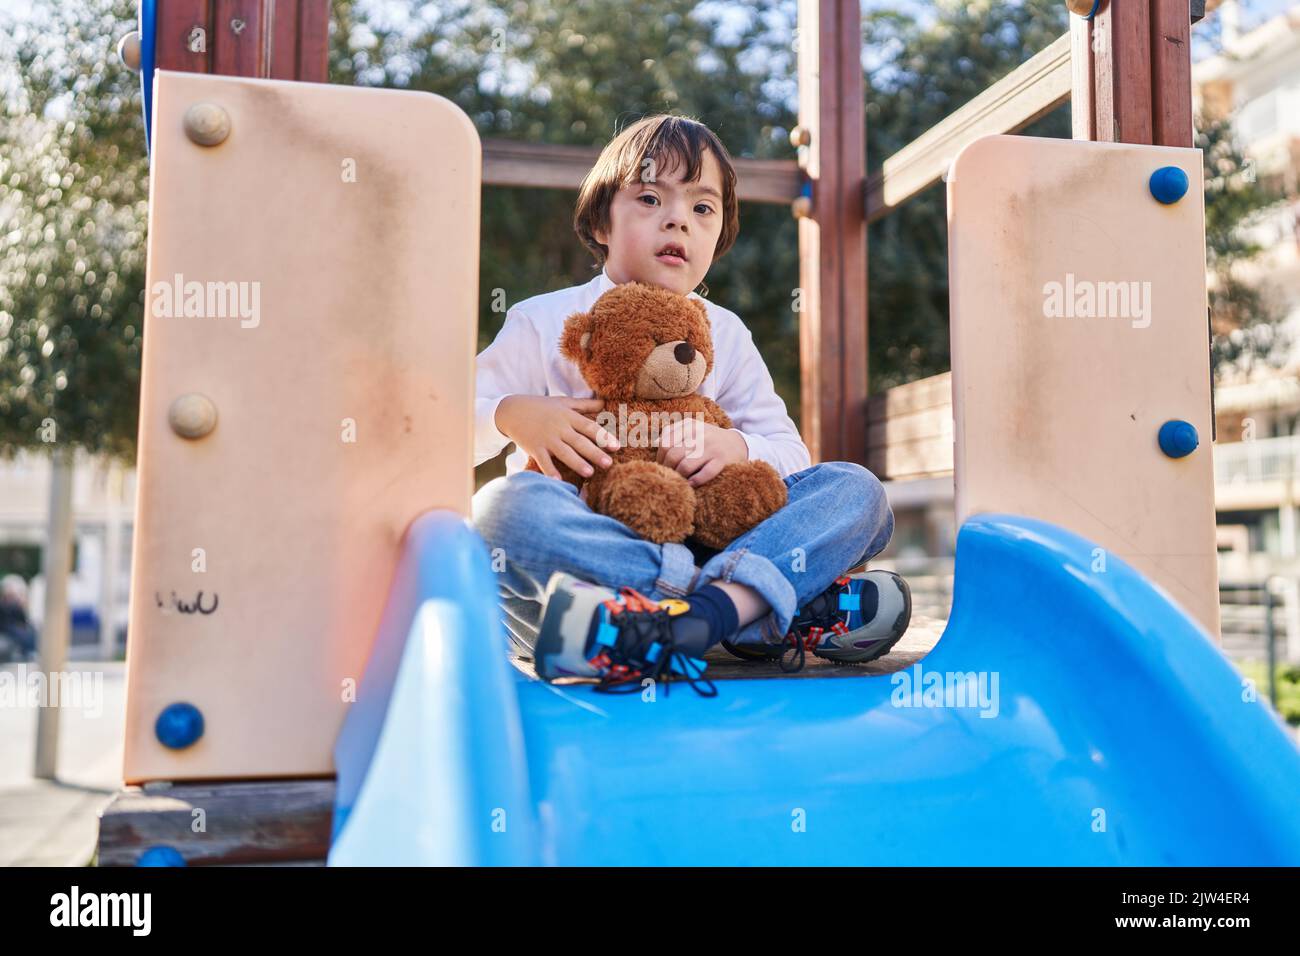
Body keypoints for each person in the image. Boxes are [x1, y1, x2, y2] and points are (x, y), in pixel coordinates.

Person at [472, 114, 909, 693]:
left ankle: (680, 626)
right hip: (591, 569)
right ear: (602, 221)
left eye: (703, 208)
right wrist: (511, 414)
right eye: (650, 197)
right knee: (501, 509)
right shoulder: (543, 321)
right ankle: (741, 613)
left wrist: (736, 446)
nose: (678, 217)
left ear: (718, 237)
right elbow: (447, 428)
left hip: (709, 537)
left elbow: (790, 455)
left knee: (856, 491)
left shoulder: (724, 332)